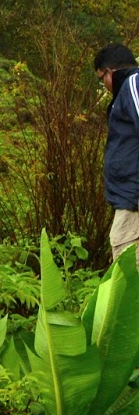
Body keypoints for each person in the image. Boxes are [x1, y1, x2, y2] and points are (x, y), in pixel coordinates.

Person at [96, 43, 139, 261]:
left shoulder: (134, 82)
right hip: (129, 201)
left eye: (101, 77)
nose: (104, 85)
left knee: (126, 281)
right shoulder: (126, 91)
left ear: (110, 71)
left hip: (134, 202)